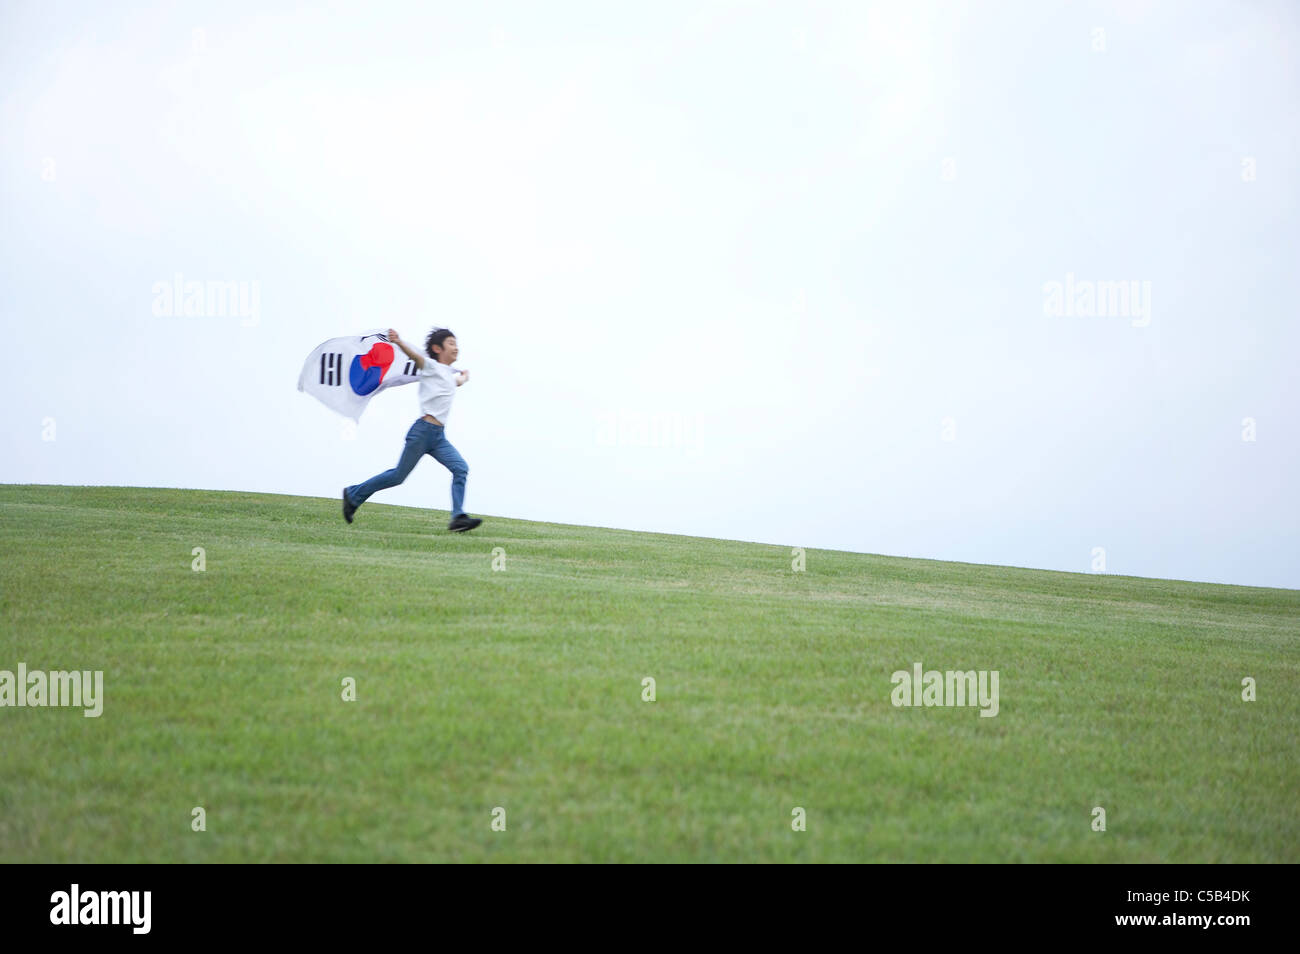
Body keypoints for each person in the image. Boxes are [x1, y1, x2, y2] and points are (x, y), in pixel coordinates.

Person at [342, 327, 483, 532]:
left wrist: (465, 376)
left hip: (438, 438)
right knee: (398, 476)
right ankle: (353, 495)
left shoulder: (446, 375)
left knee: (460, 468)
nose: (456, 347)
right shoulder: (431, 366)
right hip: (422, 433)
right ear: (437, 348)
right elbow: (416, 357)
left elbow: (457, 382)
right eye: (451, 343)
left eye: (456, 343)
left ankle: (458, 517)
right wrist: (399, 342)